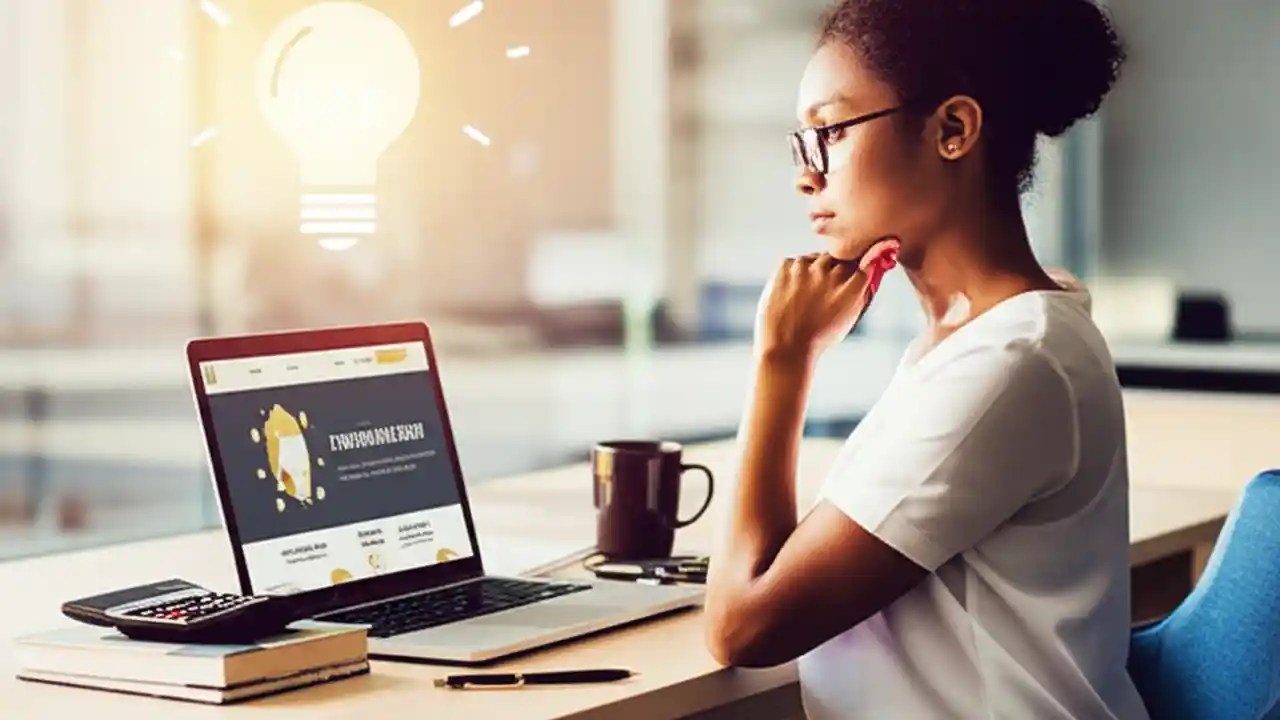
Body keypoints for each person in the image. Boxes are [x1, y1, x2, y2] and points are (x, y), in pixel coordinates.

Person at [702, 1, 1147, 718]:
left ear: (953, 129)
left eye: (831, 132)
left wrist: (783, 360)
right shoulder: (974, 343)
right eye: (802, 142)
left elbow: (741, 625)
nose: (806, 177)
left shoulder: (1011, 363)